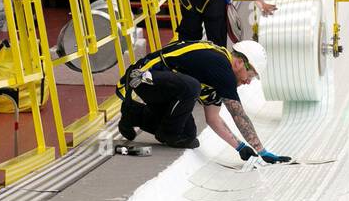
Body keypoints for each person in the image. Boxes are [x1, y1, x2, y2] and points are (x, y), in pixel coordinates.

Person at [117, 38, 291, 162]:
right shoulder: (221, 65)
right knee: (192, 87)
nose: (248, 81)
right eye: (251, 74)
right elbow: (238, 113)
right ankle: (142, 81)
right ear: (239, 62)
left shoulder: (217, 80)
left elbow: (213, 118)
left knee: (188, 137)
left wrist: (240, 147)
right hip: (143, 77)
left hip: (165, 88)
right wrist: (262, 150)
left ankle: (133, 115)